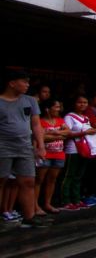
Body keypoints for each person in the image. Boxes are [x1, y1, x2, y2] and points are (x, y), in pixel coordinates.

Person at [0, 69, 47, 227]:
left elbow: (36, 124)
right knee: (1, 180)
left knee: (28, 181)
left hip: (25, 145)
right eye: (24, 81)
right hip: (3, 145)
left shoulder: (30, 101)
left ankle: (29, 216)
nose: (27, 85)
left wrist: (40, 145)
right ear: (12, 83)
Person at [36, 98, 68, 215]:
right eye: (56, 107)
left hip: (59, 154)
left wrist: (52, 133)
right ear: (47, 109)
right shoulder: (40, 121)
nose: (58, 109)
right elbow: (40, 137)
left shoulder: (60, 120)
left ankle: (47, 203)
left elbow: (67, 132)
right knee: (39, 180)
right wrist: (58, 135)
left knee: (52, 180)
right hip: (45, 154)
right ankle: (35, 205)